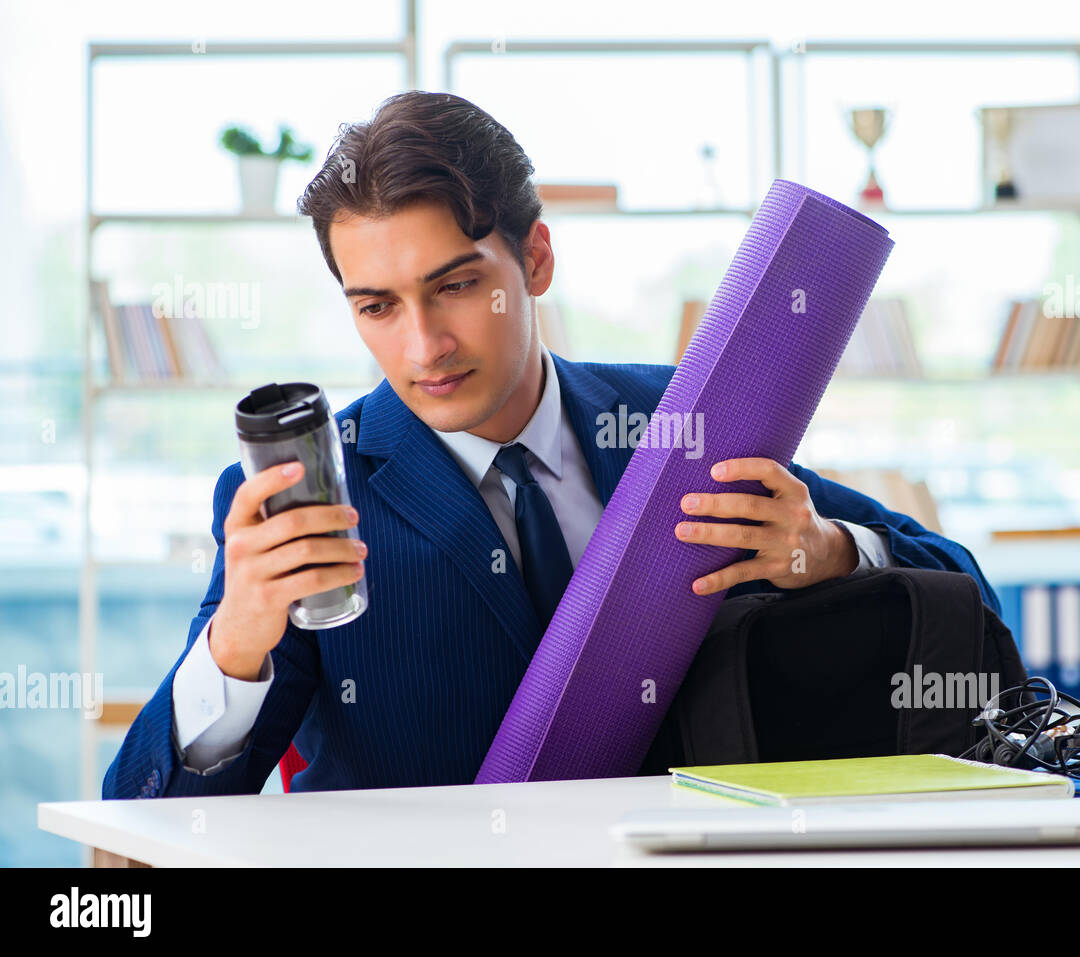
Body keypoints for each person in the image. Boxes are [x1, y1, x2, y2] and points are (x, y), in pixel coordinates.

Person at [103, 92, 1001, 799]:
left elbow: (966, 595)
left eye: (456, 286)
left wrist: (832, 552)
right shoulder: (308, 493)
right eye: (376, 306)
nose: (424, 347)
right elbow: (149, 805)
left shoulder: (681, 419)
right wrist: (235, 644)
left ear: (534, 259)